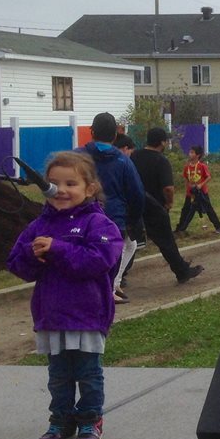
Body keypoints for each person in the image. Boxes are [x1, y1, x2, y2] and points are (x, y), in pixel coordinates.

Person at [7, 151, 121, 439]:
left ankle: (90, 419)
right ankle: (61, 420)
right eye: (54, 183)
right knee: (58, 375)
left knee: (88, 372)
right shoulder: (38, 226)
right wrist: (31, 255)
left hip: (87, 315)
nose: (61, 190)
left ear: (90, 189)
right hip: (52, 316)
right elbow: (17, 265)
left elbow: (99, 261)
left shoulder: (99, 224)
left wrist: (58, 249)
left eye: (71, 183)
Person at [79, 112, 143, 304]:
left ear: (91, 132)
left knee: (82, 254)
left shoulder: (76, 157)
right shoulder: (124, 161)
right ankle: (107, 292)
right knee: (111, 257)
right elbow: (137, 194)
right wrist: (132, 219)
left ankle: (85, 292)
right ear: (115, 135)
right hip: (114, 220)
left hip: (81, 217)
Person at [128, 127, 204, 283]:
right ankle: (182, 271)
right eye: (166, 140)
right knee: (166, 241)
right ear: (162, 142)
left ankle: (119, 276)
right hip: (155, 207)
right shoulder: (161, 160)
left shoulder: (134, 156)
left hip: (134, 205)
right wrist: (169, 203)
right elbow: (168, 188)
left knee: (130, 241)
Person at [175, 146, 220, 235]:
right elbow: (186, 179)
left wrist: (201, 185)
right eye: (190, 152)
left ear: (198, 155)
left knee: (209, 209)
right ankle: (181, 228)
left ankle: (219, 227)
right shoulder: (187, 167)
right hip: (190, 193)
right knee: (186, 210)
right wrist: (188, 189)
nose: (190, 154)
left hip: (201, 193)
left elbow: (208, 177)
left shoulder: (202, 166)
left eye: (192, 152)